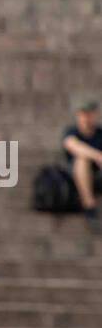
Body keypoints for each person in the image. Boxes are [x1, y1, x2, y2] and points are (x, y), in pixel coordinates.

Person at [61, 99, 102, 231]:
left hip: (97, 175)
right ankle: (89, 206)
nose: (87, 118)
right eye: (84, 114)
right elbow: (71, 145)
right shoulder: (72, 132)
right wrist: (97, 156)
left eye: (90, 114)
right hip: (75, 177)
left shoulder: (100, 133)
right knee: (82, 161)